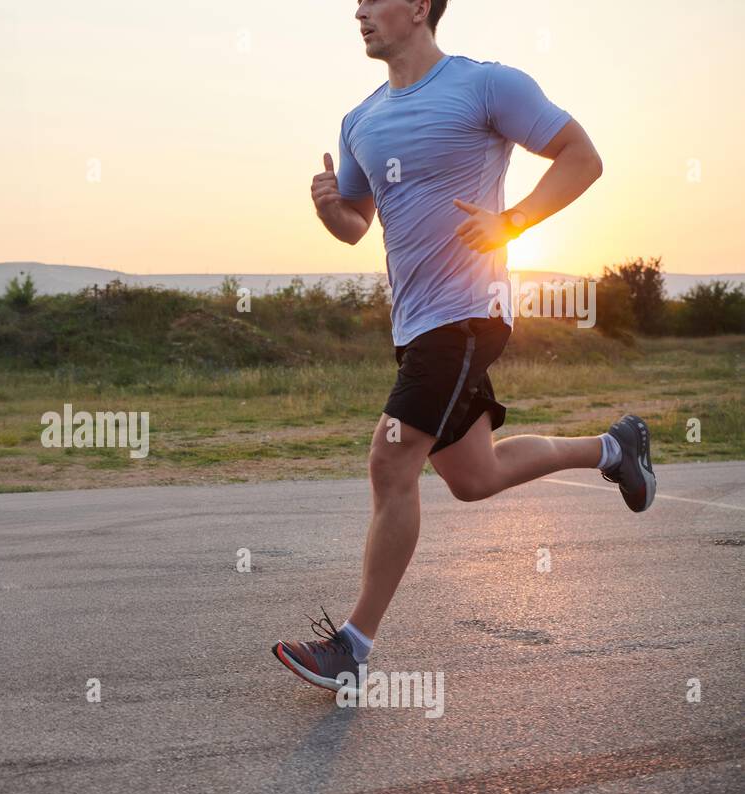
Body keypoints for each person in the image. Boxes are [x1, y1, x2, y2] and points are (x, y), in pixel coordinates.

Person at [272, 0, 655, 693]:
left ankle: (352, 648)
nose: (356, 10)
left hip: (468, 313)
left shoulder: (485, 86)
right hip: (416, 325)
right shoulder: (360, 120)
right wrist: (332, 209)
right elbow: (358, 224)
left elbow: (583, 158)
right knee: (473, 478)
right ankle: (615, 447)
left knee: (391, 460)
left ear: (419, 6)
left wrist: (513, 221)